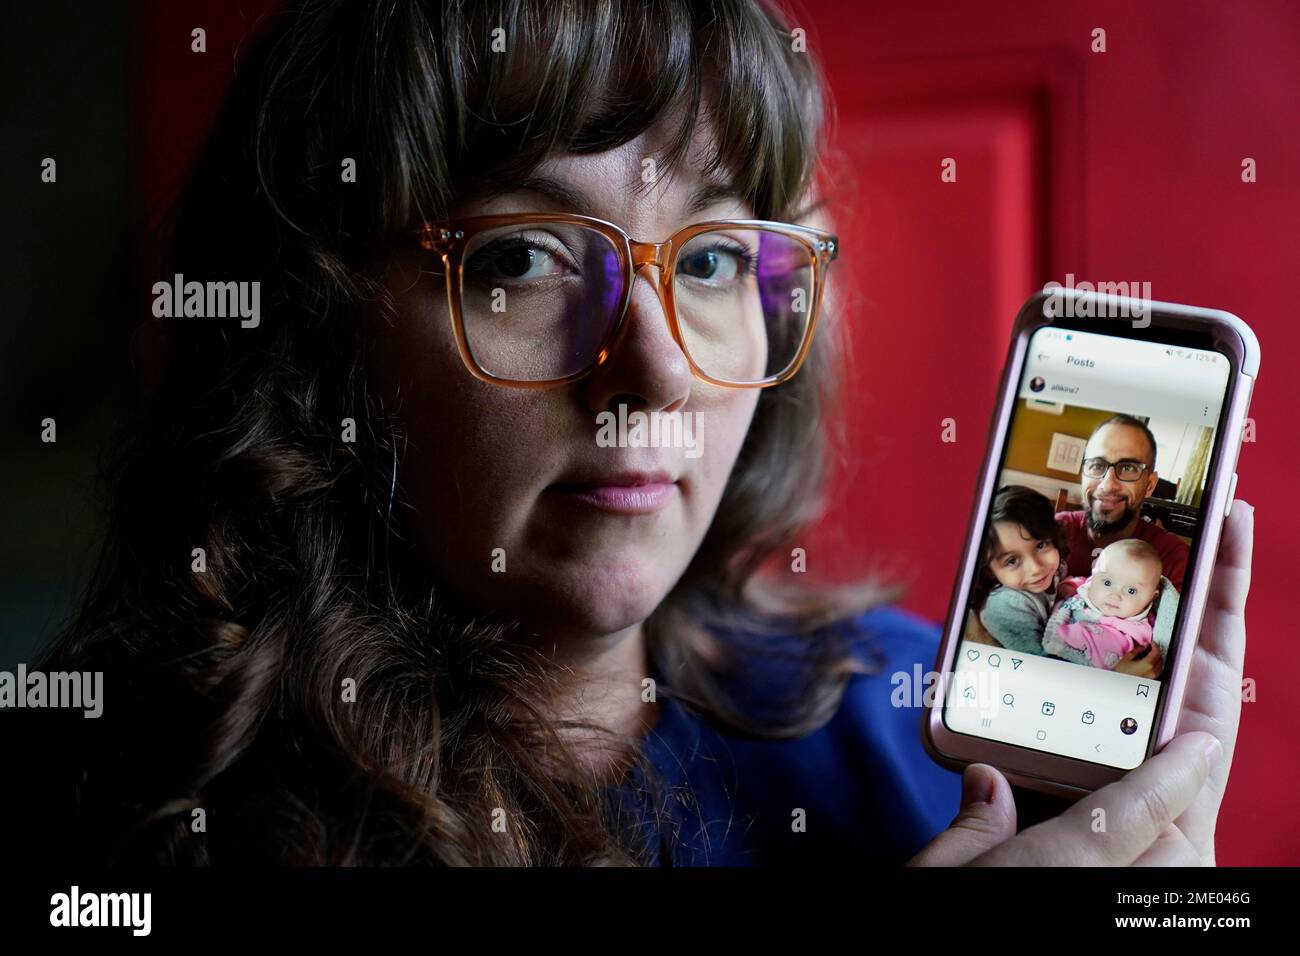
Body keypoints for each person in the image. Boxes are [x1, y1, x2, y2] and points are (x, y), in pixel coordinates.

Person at [2, 0, 1251, 867]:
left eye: (710, 256)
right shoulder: (121, 807)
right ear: (320, 327)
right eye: (523, 259)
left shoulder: (916, 713)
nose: (651, 368)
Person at [1056, 415, 1191, 589]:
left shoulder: (1173, 559)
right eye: (1097, 465)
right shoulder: (1052, 532)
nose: (1108, 485)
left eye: (1128, 468)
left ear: (1150, 485)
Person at [972, 485, 1067, 655]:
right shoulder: (1004, 608)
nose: (1036, 568)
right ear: (988, 570)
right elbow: (1042, 667)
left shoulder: (1058, 568)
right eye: (1012, 561)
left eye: (1040, 545)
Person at [1042, 539, 1163, 670]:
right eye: (1107, 583)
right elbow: (1085, 583)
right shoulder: (1091, 585)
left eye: (1131, 591)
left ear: (1152, 597)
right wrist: (1070, 585)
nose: (1114, 595)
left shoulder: (1137, 632)